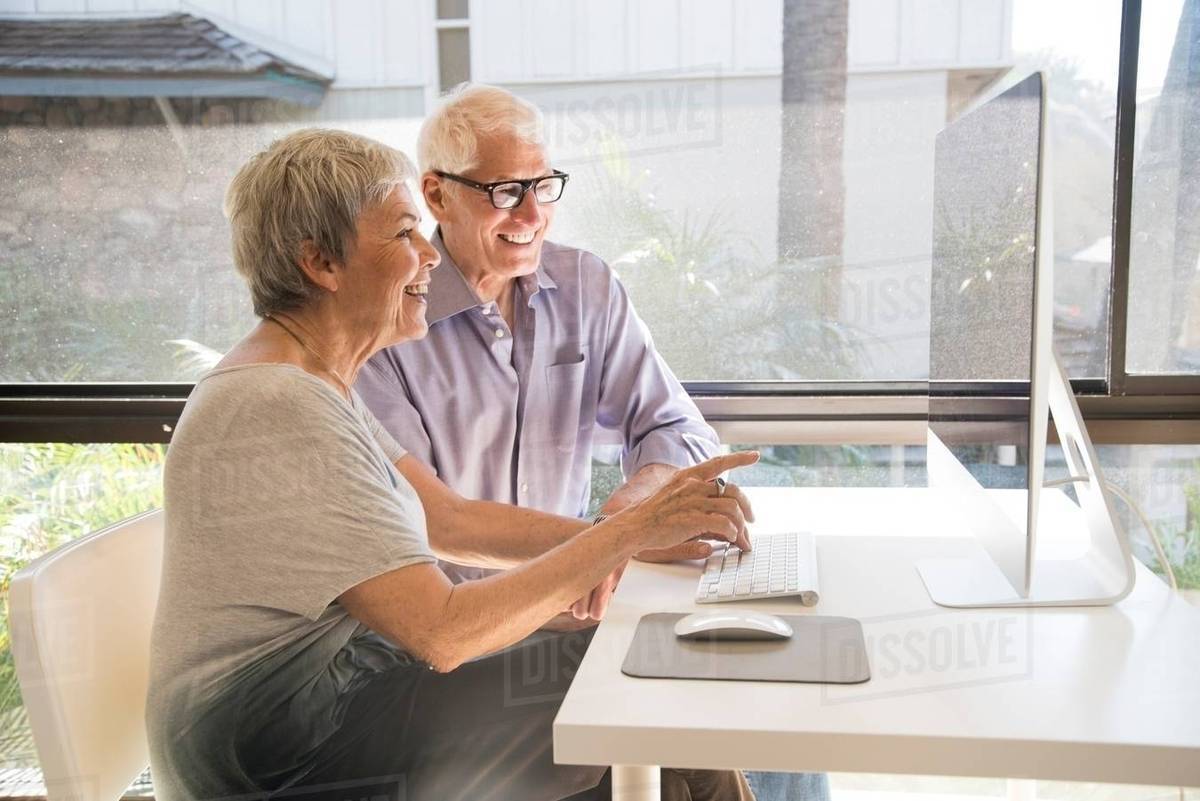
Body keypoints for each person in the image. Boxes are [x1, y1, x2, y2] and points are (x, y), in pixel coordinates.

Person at [145, 128, 760, 801]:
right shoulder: (278, 400)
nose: (429, 257)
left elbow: (446, 519)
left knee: (619, 662)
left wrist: (638, 543)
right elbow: (441, 631)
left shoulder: (309, 379)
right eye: (406, 233)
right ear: (322, 262)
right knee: (630, 686)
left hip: (336, 694)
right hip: (275, 753)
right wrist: (628, 533)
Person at [356, 84, 831, 799]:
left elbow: (672, 425)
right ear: (437, 194)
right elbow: (429, 519)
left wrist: (625, 518)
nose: (533, 214)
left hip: (586, 604)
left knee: (776, 706)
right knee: (690, 717)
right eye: (506, 191)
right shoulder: (391, 322)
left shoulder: (585, 286)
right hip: (469, 639)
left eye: (545, 186)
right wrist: (610, 543)